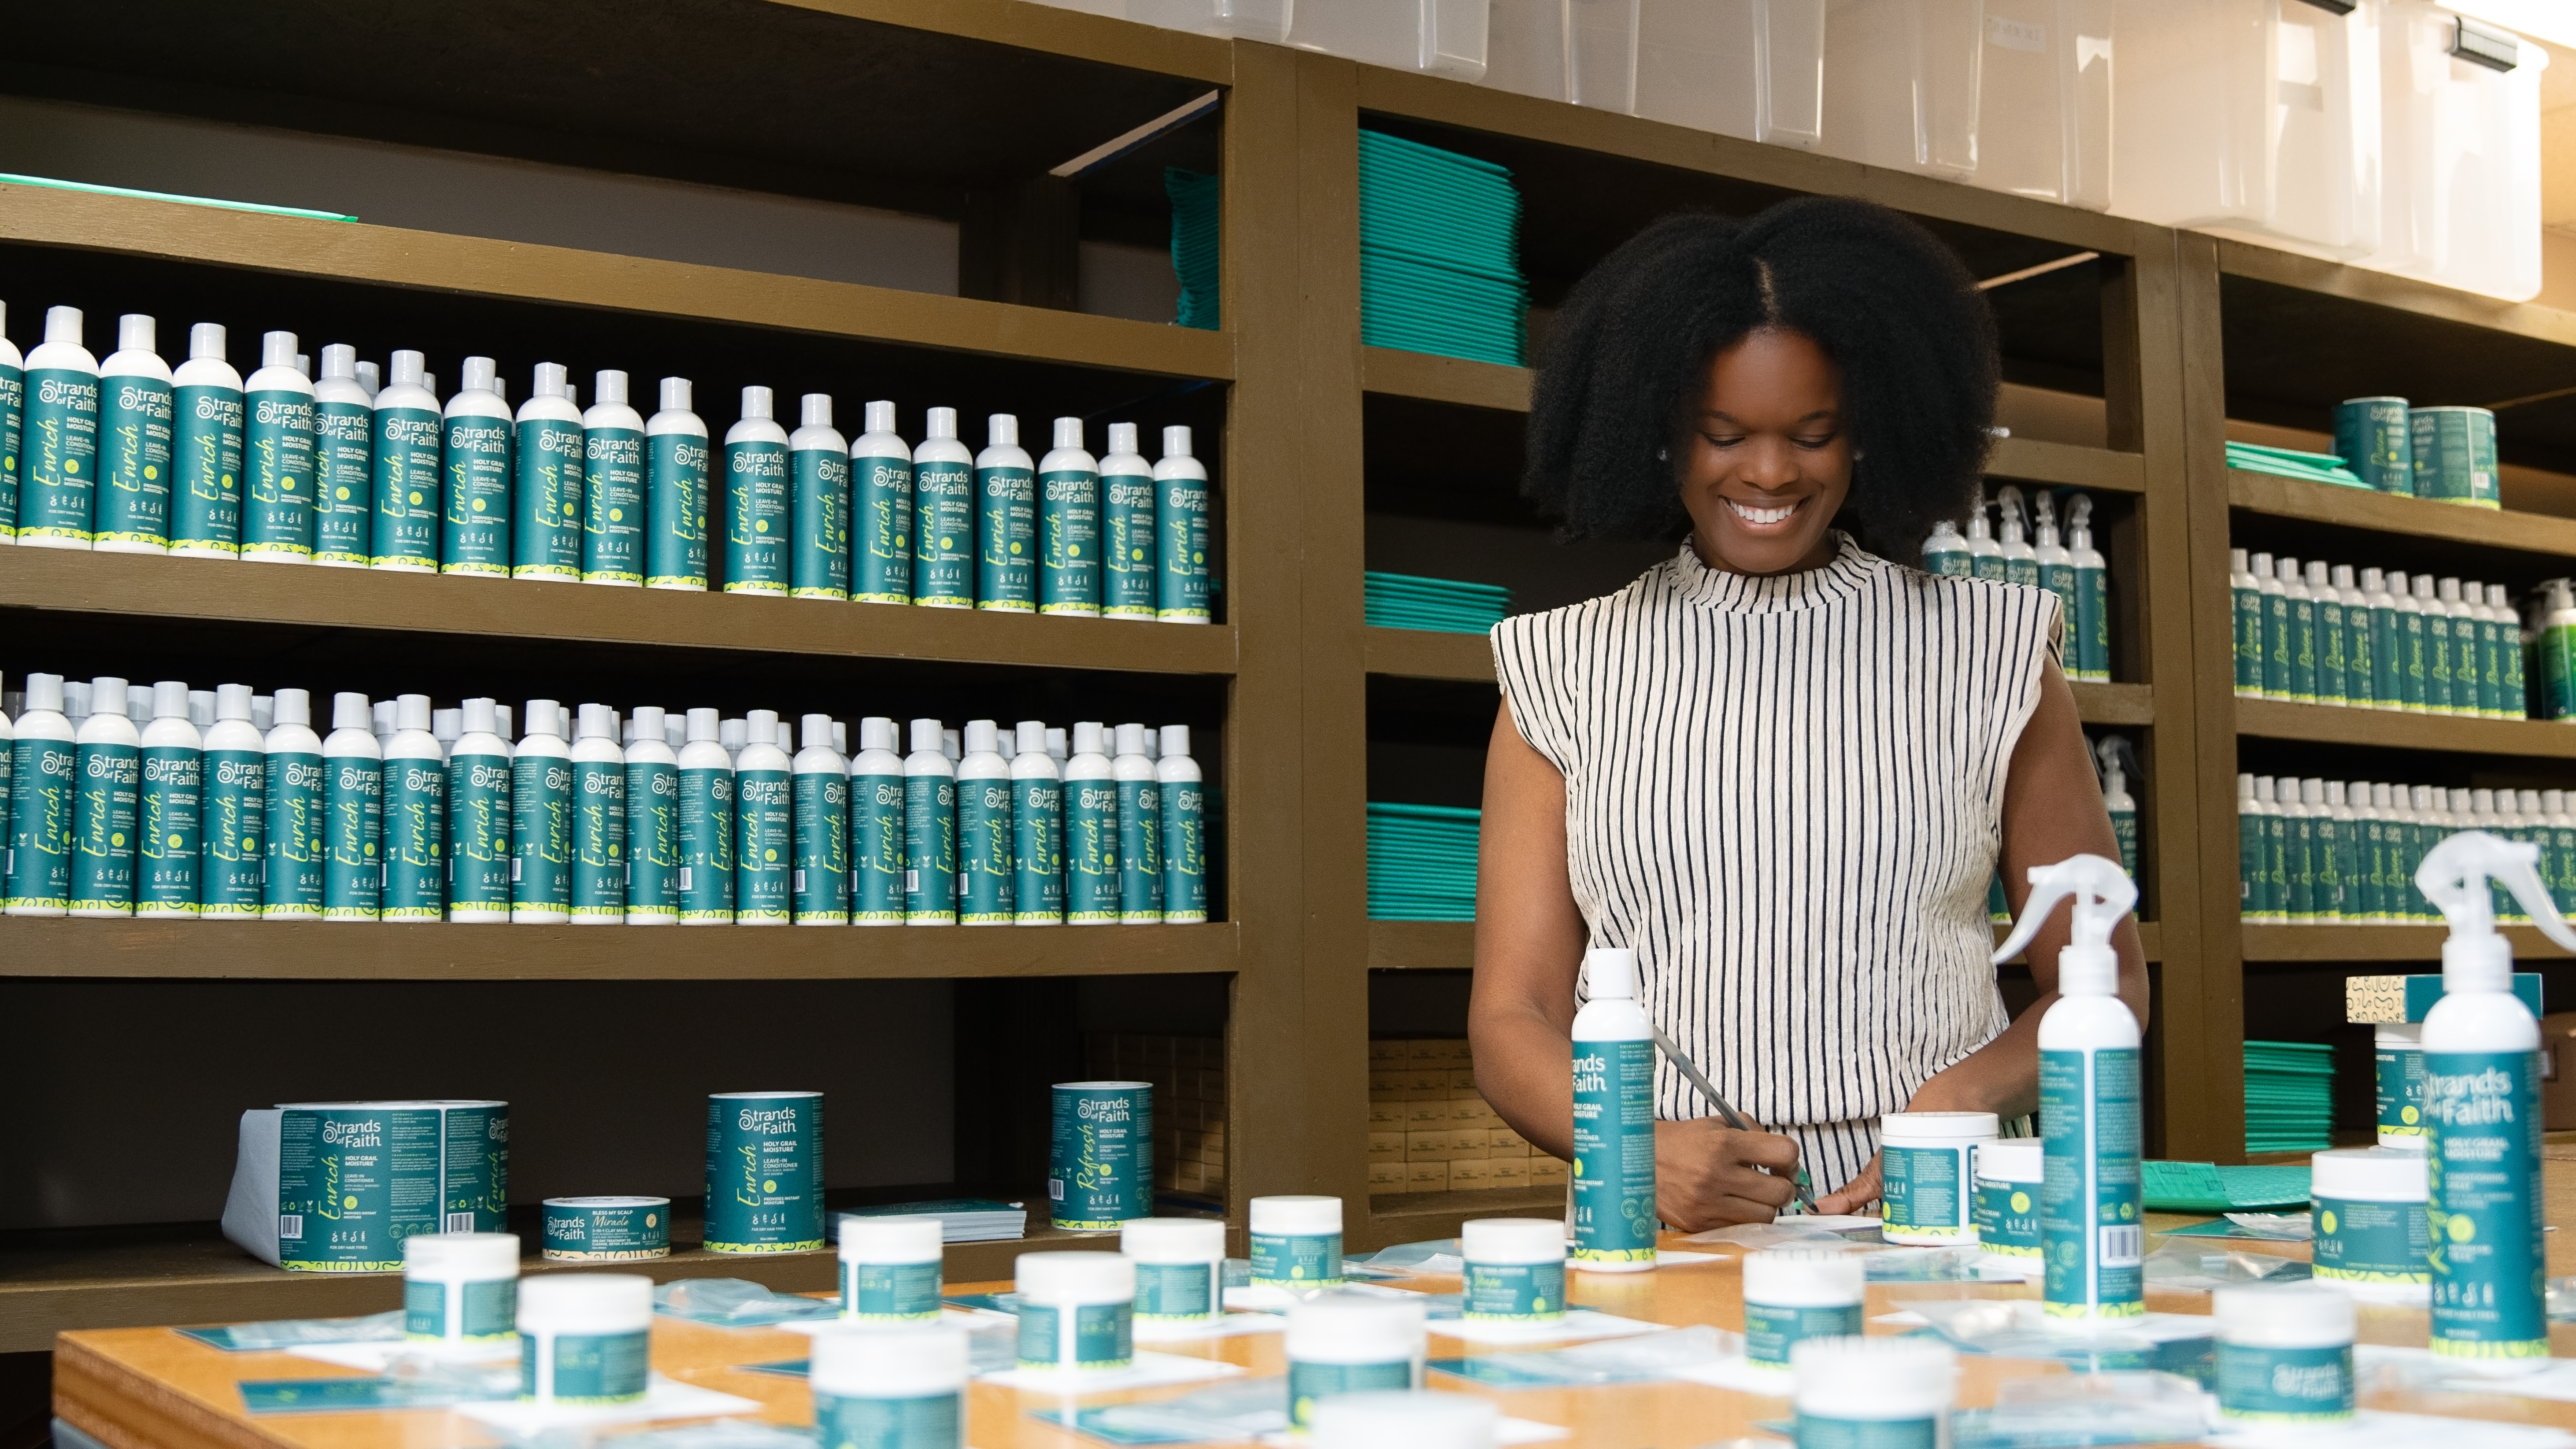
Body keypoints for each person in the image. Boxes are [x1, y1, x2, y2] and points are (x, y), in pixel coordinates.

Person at [1471, 196, 2148, 1228]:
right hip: (1663, 1235)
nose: (1771, 472)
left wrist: (1956, 1105)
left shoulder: (1994, 652)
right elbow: (1510, 1018)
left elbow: (2104, 984)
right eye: (1724, 434)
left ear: (1869, 433)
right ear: (1657, 432)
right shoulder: (1559, 667)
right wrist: (1632, 1149)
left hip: (1944, 1223)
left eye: (1813, 434)